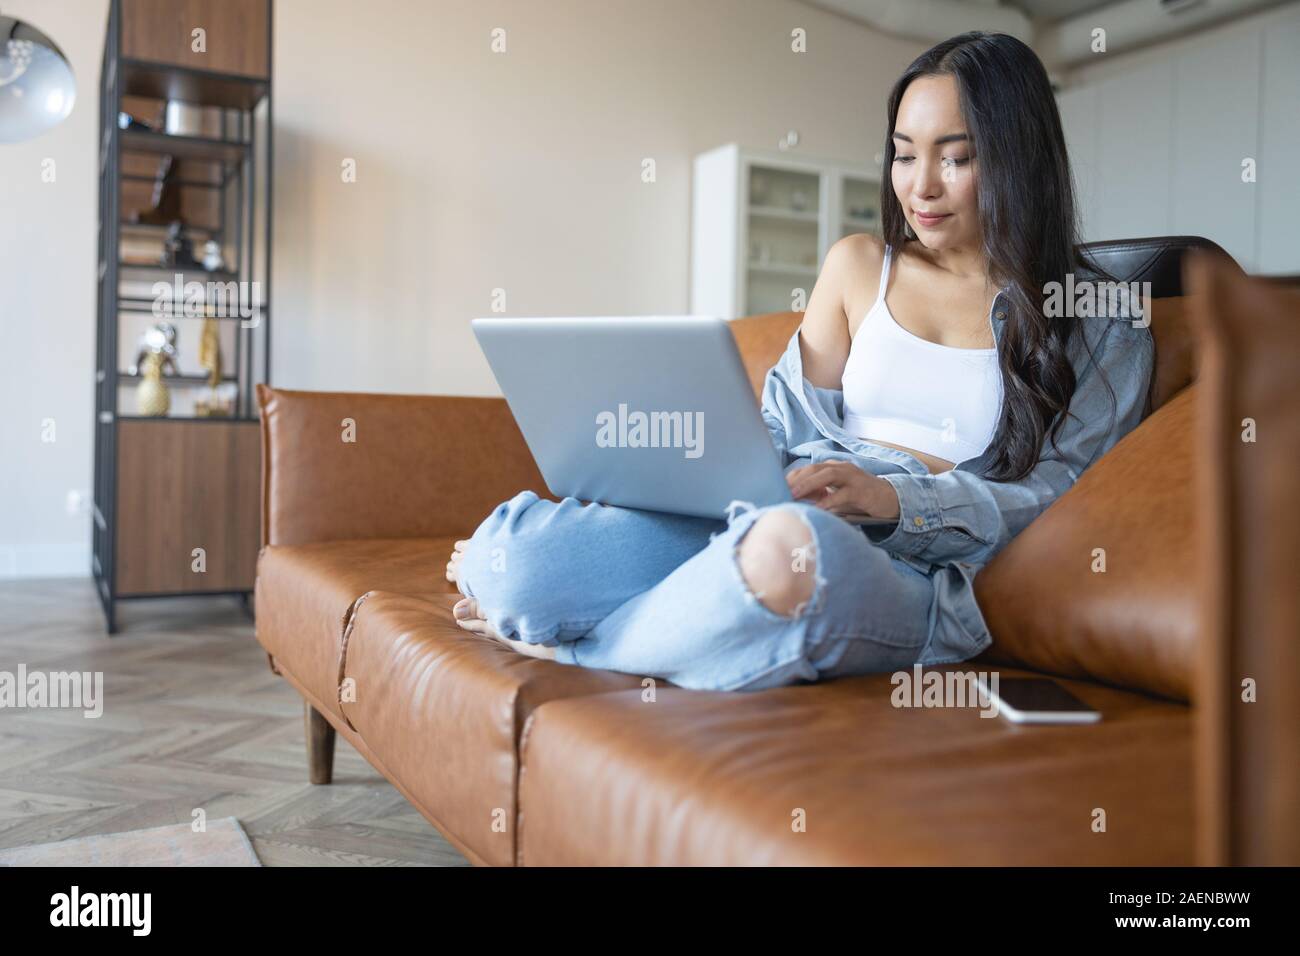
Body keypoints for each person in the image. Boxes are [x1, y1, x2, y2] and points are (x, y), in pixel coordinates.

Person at [445, 31, 1154, 692]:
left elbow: (1055, 501)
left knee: (789, 550)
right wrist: (694, 477)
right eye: (905, 153)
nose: (921, 187)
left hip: (911, 570)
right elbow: (779, 427)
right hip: (777, 510)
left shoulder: (1100, 320)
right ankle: (697, 618)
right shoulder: (857, 266)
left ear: (1019, 157)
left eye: (957, 156)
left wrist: (894, 502)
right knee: (513, 563)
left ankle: (575, 650)